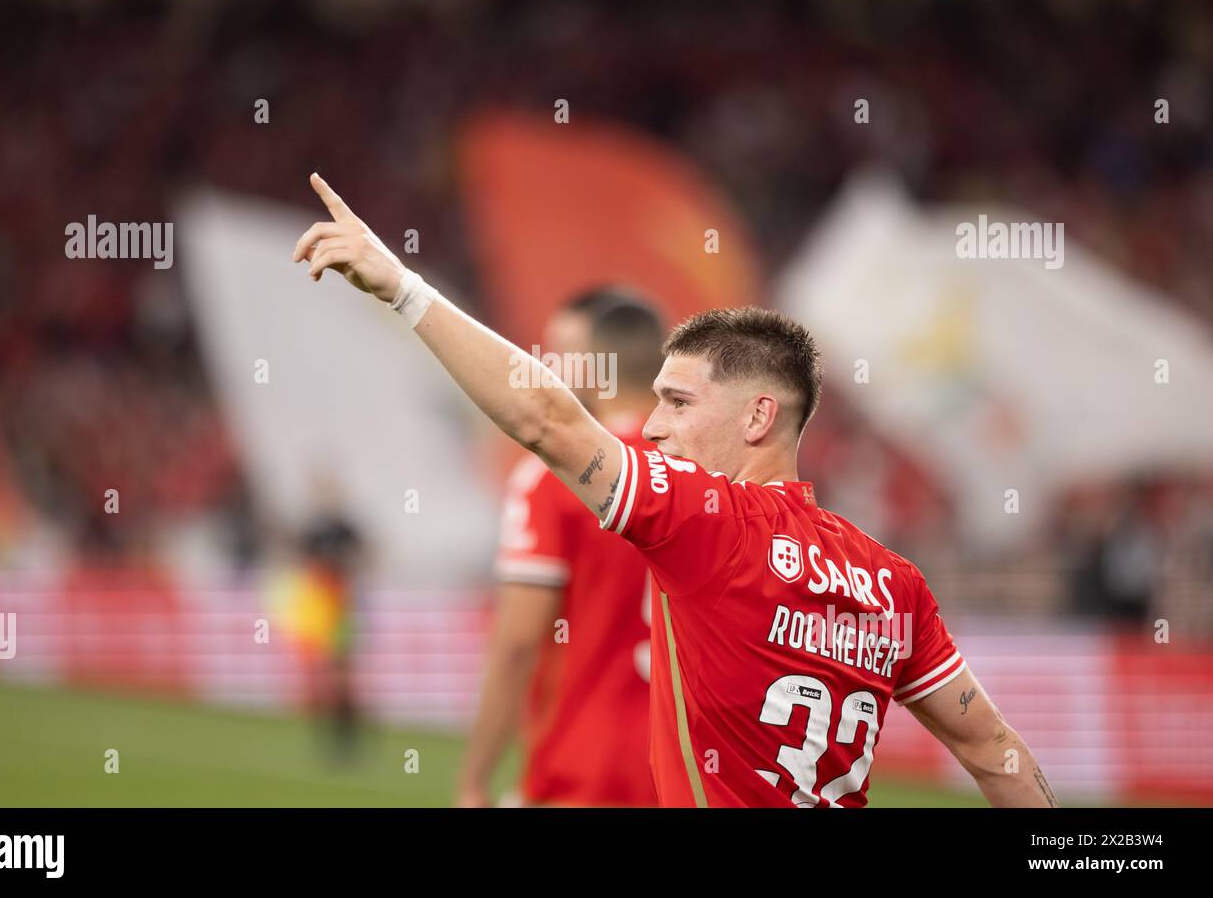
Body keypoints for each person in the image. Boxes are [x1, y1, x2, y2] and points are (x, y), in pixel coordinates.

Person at [290, 173, 1057, 808]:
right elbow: (994, 750)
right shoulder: (894, 583)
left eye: (680, 403)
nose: (654, 427)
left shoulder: (709, 524)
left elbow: (547, 419)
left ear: (758, 416)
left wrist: (403, 289)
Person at [457, 288, 664, 808]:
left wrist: (474, 781)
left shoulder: (556, 479)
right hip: (689, 772)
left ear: (594, 366)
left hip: (585, 767)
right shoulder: (712, 476)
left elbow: (517, 642)